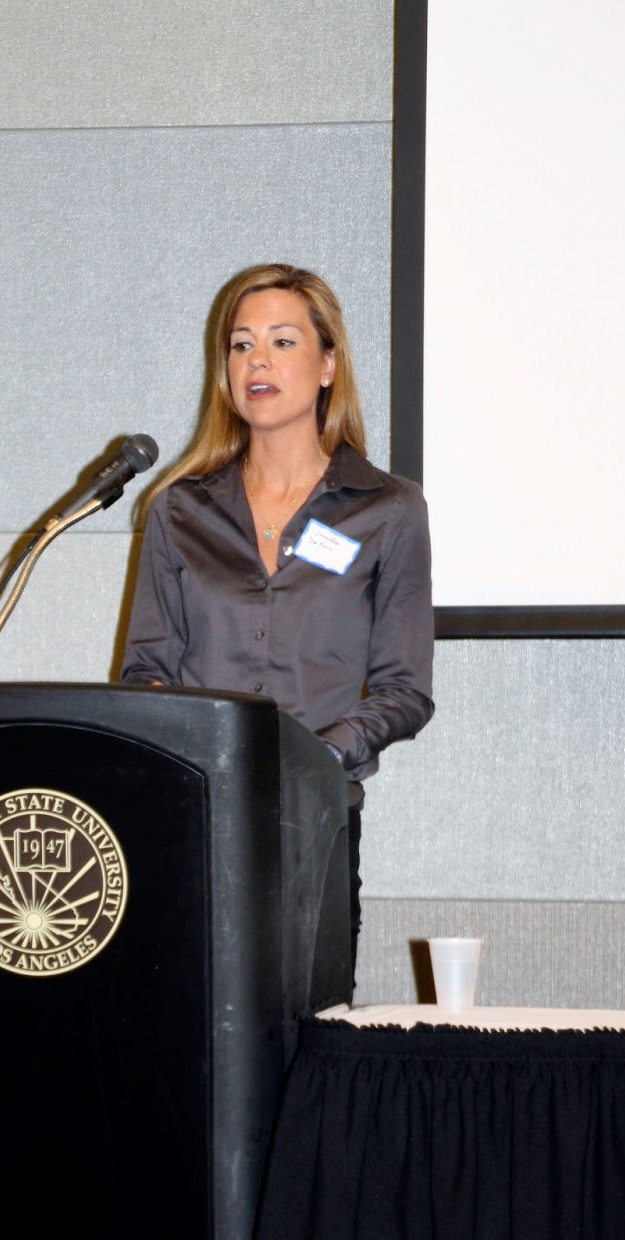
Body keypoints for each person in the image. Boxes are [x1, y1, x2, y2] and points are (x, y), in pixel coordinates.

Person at [121, 263, 434, 976]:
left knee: (309, 1032)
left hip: (314, 824)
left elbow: (405, 690)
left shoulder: (387, 511)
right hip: (194, 822)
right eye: (241, 344)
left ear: (328, 366)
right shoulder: (179, 510)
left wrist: (315, 757)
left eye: (283, 342)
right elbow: (146, 673)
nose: (257, 360)